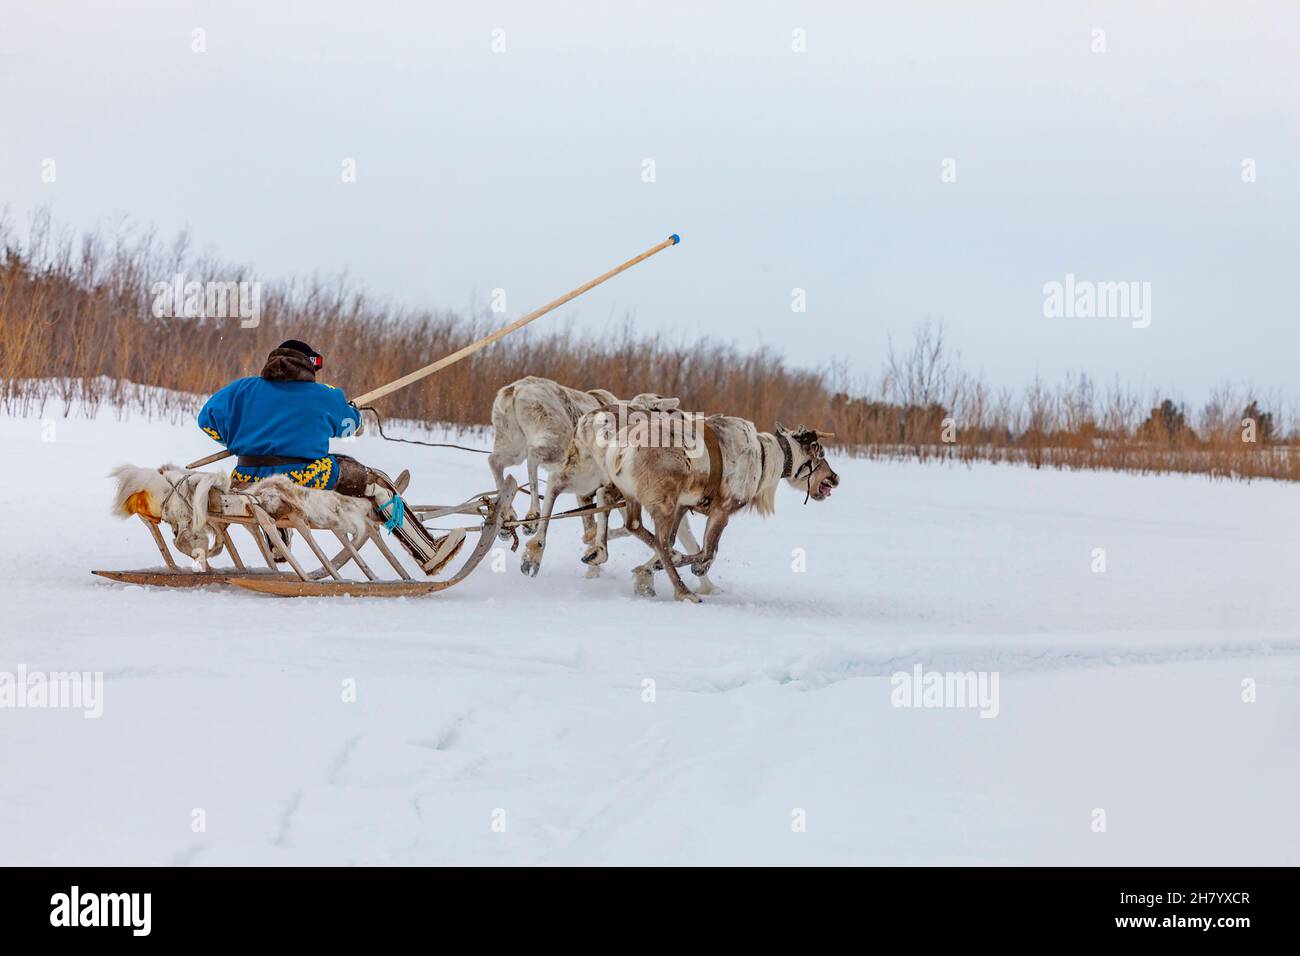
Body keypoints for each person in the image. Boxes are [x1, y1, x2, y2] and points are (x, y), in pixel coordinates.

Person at [198, 340, 463, 574]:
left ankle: (278, 548)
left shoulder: (242, 389)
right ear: (308, 366)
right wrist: (350, 412)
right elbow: (352, 427)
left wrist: (234, 440)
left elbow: (206, 420)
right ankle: (428, 552)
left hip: (247, 477)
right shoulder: (322, 394)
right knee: (376, 482)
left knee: (273, 486)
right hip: (302, 477)